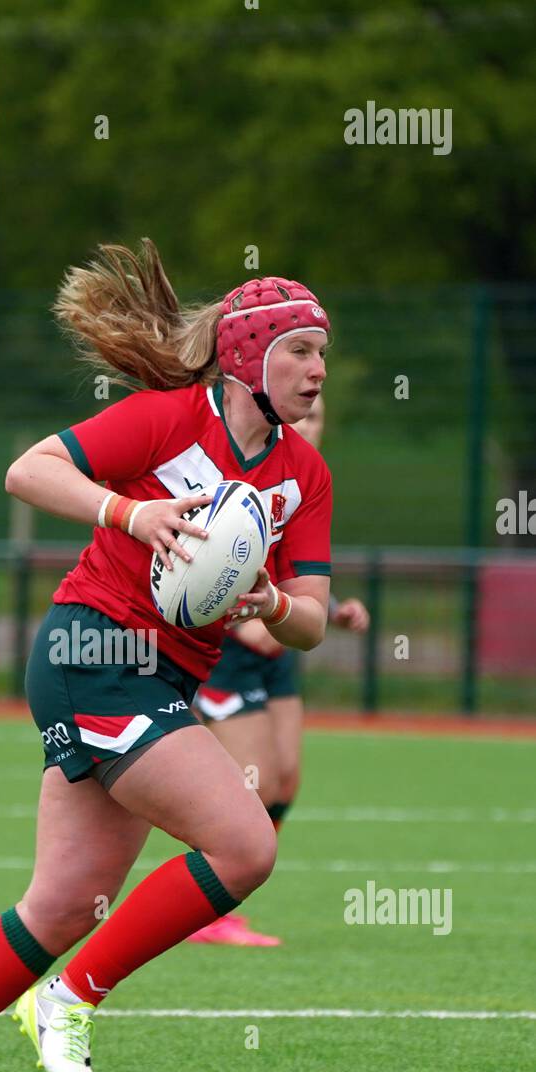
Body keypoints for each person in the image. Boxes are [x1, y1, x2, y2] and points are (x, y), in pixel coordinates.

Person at [0, 242, 333, 1072]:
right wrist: (130, 511)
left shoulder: (303, 476)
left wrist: (271, 599)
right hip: (94, 650)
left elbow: (314, 619)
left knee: (64, 903)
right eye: (299, 348)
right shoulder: (168, 418)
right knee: (246, 846)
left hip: (163, 679)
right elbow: (27, 471)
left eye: (322, 352)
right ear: (249, 355)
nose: (317, 368)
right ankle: (69, 996)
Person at [187, 395, 370, 946]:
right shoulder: (247, 475)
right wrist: (249, 617)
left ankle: (227, 904)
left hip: (275, 656)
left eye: (317, 415)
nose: (308, 423)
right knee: (253, 785)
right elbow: (218, 574)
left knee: (285, 780)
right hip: (229, 658)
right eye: (302, 414)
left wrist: (331, 613)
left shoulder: (307, 482)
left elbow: (295, 581)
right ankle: (209, 913)